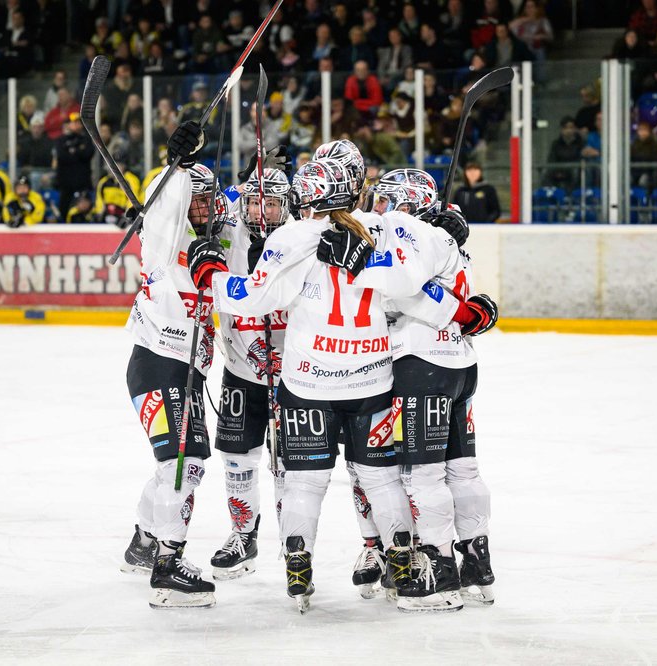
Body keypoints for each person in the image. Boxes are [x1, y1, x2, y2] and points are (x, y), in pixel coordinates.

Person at [195, 149, 473, 612]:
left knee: (304, 483)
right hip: (372, 382)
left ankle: (299, 567)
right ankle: (401, 564)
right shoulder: (380, 230)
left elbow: (252, 299)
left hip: (307, 384)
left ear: (306, 195)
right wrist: (460, 298)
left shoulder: (292, 236)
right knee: (382, 480)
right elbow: (416, 287)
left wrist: (211, 273)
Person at [367, 167, 499, 607]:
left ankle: (439, 570)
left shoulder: (412, 239)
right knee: (463, 469)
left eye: (387, 200)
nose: (378, 208)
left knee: (421, 475)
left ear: (406, 204)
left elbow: (398, 294)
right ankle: (476, 562)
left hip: (420, 365)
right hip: (459, 366)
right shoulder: (450, 239)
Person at [118, 122, 218, 608]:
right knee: (186, 461)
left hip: (184, 372)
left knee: (172, 463)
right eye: (196, 201)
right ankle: (167, 564)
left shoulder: (213, 243)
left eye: (209, 201)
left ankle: (144, 542)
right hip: (159, 363)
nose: (204, 209)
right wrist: (176, 163)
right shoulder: (164, 240)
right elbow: (165, 203)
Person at [206, 167, 291, 581]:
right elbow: (206, 203)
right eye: (256, 202)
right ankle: (244, 535)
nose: (262, 211)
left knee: (291, 467)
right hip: (240, 368)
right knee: (238, 459)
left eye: (272, 203)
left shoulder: (299, 238)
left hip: (292, 377)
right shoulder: (228, 230)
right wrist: (240, 185)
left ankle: (296, 543)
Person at [55, 113, 94, 214]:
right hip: (66, 183)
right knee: (64, 210)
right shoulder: (61, 140)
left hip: (82, 183)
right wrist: (78, 152)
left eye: (78, 123)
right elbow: (62, 157)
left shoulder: (86, 139)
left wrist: (73, 151)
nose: (75, 125)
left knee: (84, 211)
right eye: (73, 123)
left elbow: (87, 154)